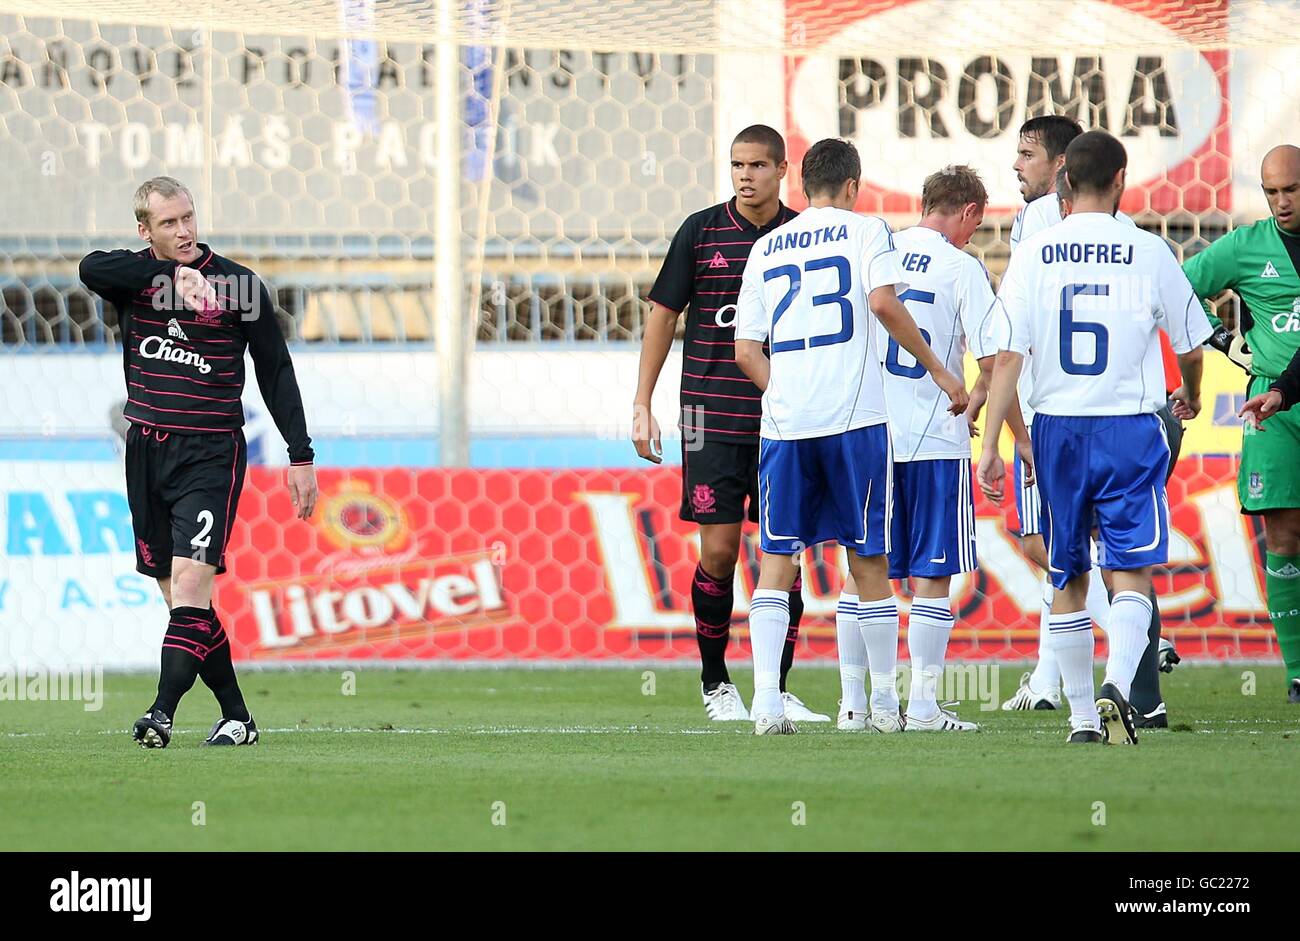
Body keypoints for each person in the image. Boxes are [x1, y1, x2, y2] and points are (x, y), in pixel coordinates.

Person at [978, 131, 1211, 743]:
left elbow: (1007, 356)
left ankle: (1083, 719)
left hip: (1056, 429)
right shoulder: (1148, 250)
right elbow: (1189, 343)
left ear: (1062, 183)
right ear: (1120, 181)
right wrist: (1188, 388)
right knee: (1129, 570)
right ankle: (1118, 682)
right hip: (1129, 425)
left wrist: (988, 447)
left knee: (1067, 576)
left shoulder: (1032, 252)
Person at [734, 138, 968, 735]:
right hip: (855, 423)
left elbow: (744, 348)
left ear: (801, 186)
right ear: (852, 186)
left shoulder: (764, 247)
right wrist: (940, 368)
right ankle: (886, 708)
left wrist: (783, 392)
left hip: (785, 427)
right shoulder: (867, 233)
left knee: (777, 560)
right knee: (868, 558)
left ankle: (765, 703)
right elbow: (884, 303)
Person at [80, 176, 318, 748]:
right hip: (145, 449)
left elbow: (276, 371)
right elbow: (91, 268)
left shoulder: (238, 286)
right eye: (168, 223)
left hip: (210, 451)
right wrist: (169, 277)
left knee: (189, 586)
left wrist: (300, 454)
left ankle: (160, 714)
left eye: (188, 217)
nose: (184, 230)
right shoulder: (135, 279)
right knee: (179, 598)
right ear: (146, 231)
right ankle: (237, 716)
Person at [635, 126, 828, 722]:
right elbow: (662, 317)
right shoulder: (700, 232)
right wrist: (643, 403)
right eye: (737, 165)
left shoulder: (803, 236)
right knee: (718, 552)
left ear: (782, 169)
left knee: (783, 556)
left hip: (784, 419)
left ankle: (775, 686)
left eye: (757, 166)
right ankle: (716, 682)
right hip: (705, 414)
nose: (745, 176)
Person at [877, 165, 994, 732]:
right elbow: (995, 359)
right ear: (968, 211)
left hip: (871, 436)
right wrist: (973, 400)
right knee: (932, 574)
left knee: (864, 569)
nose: (975, 234)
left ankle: (863, 707)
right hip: (935, 439)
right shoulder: (962, 267)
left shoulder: (879, 252)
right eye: (978, 223)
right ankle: (922, 707)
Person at [1185, 144, 1300, 702]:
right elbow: (1180, 289)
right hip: (1270, 411)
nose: (1281, 203)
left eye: (1292, 190)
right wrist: (1227, 341)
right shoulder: (1247, 246)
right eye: (1271, 192)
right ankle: (1297, 671)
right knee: (1283, 532)